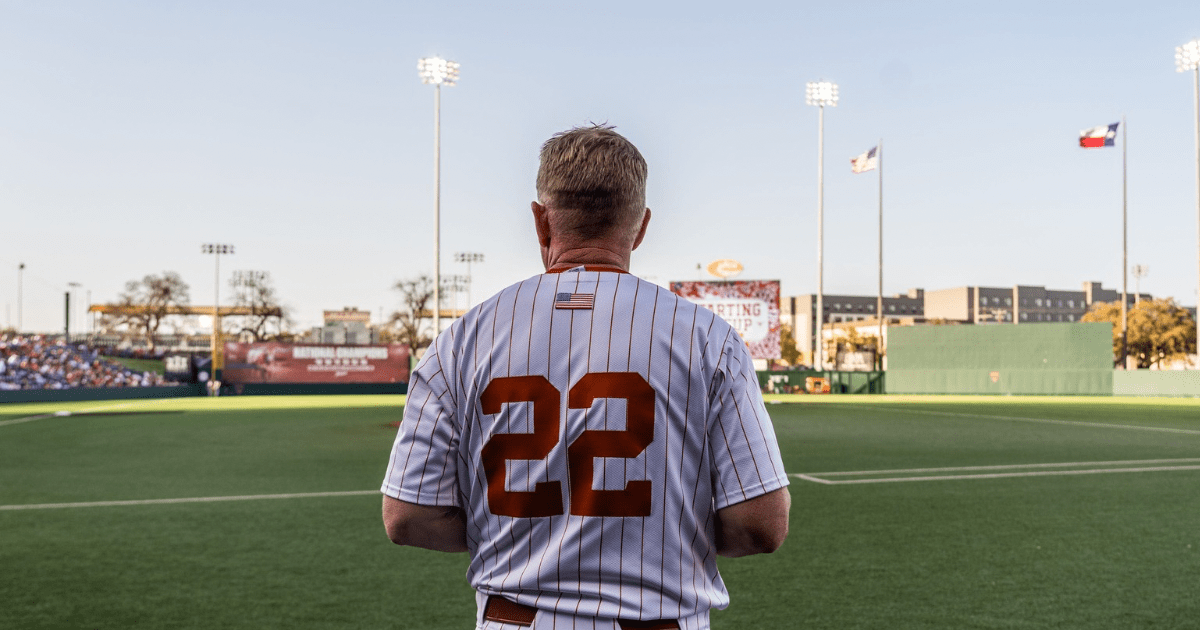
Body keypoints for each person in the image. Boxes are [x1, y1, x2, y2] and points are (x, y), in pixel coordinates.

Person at [382, 125, 790, 630]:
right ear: (640, 226)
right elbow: (760, 525)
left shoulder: (461, 340)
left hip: (516, 621)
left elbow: (407, 516)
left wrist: (515, 533)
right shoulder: (708, 338)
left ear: (540, 221)